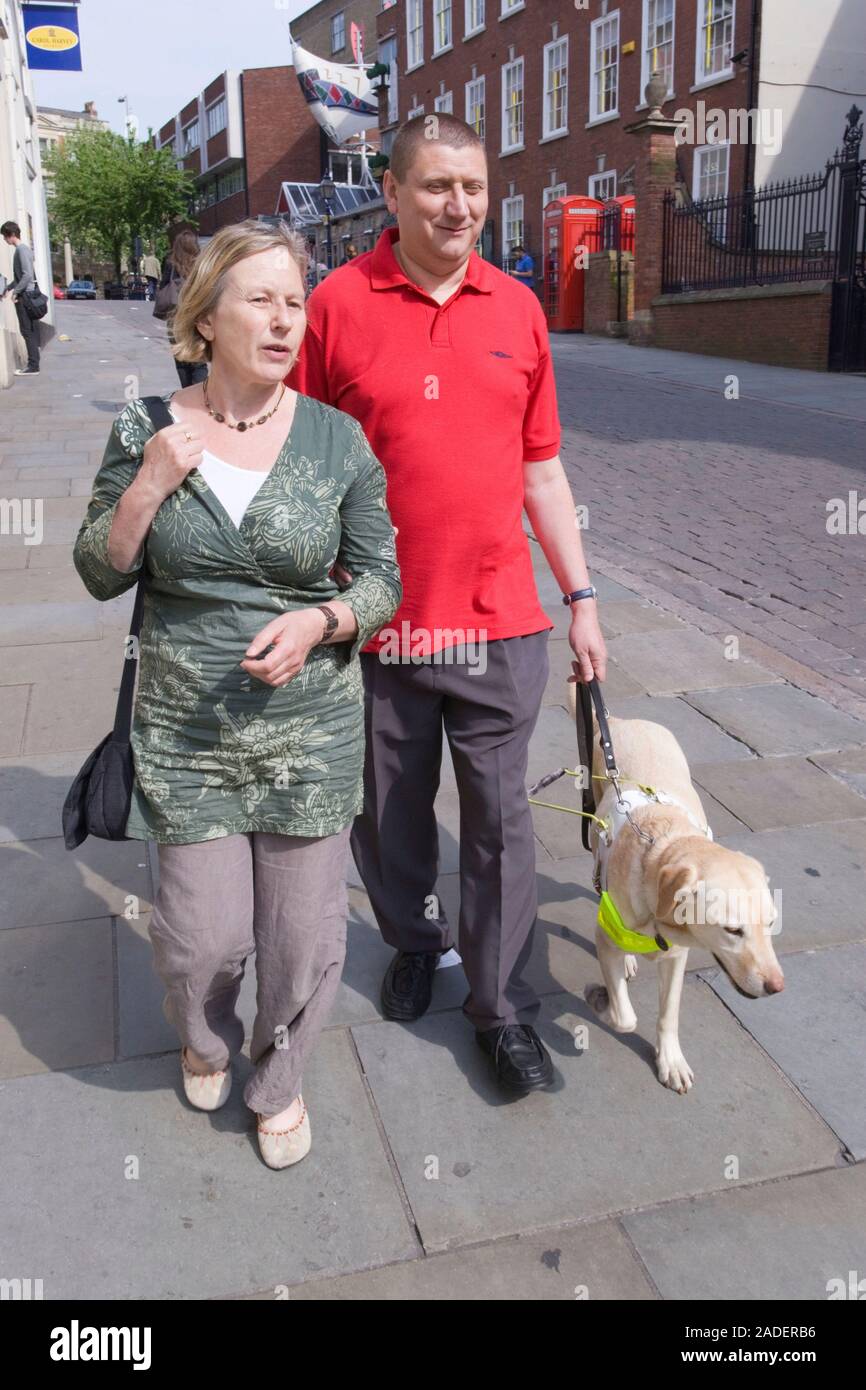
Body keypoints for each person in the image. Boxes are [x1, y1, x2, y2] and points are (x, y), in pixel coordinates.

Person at [287, 114, 606, 1095]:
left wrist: (581, 596)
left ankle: (500, 1008)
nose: (457, 205)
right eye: (435, 187)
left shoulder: (516, 310)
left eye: (471, 186)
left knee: (502, 821)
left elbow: (542, 473)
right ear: (390, 192)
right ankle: (415, 935)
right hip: (375, 625)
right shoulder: (335, 305)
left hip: (499, 621)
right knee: (386, 817)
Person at [73, 219, 401, 1169]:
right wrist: (147, 486)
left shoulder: (337, 440)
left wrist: (320, 623)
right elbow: (99, 571)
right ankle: (205, 1035)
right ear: (205, 316)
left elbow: (382, 579)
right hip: (187, 728)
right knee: (200, 939)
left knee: (302, 940)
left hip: (311, 733)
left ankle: (281, 1079)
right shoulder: (147, 428)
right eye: (260, 298)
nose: (285, 319)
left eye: (296, 301)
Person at [159, 229, 208, 387]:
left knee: (181, 359)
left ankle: (187, 392)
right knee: (198, 360)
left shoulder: (170, 263)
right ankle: (201, 393)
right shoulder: (200, 263)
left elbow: (163, 287)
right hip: (196, 315)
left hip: (175, 317)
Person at [1, 220, 41, 375]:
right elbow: (20, 277)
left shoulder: (21, 251)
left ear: (11, 235)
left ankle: (33, 366)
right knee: (28, 329)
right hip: (26, 294)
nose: (4, 240)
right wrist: (8, 288)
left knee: (26, 330)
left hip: (25, 296)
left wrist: (16, 292)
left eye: (5, 237)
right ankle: (34, 364)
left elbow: (27, 276)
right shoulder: (23, 250)